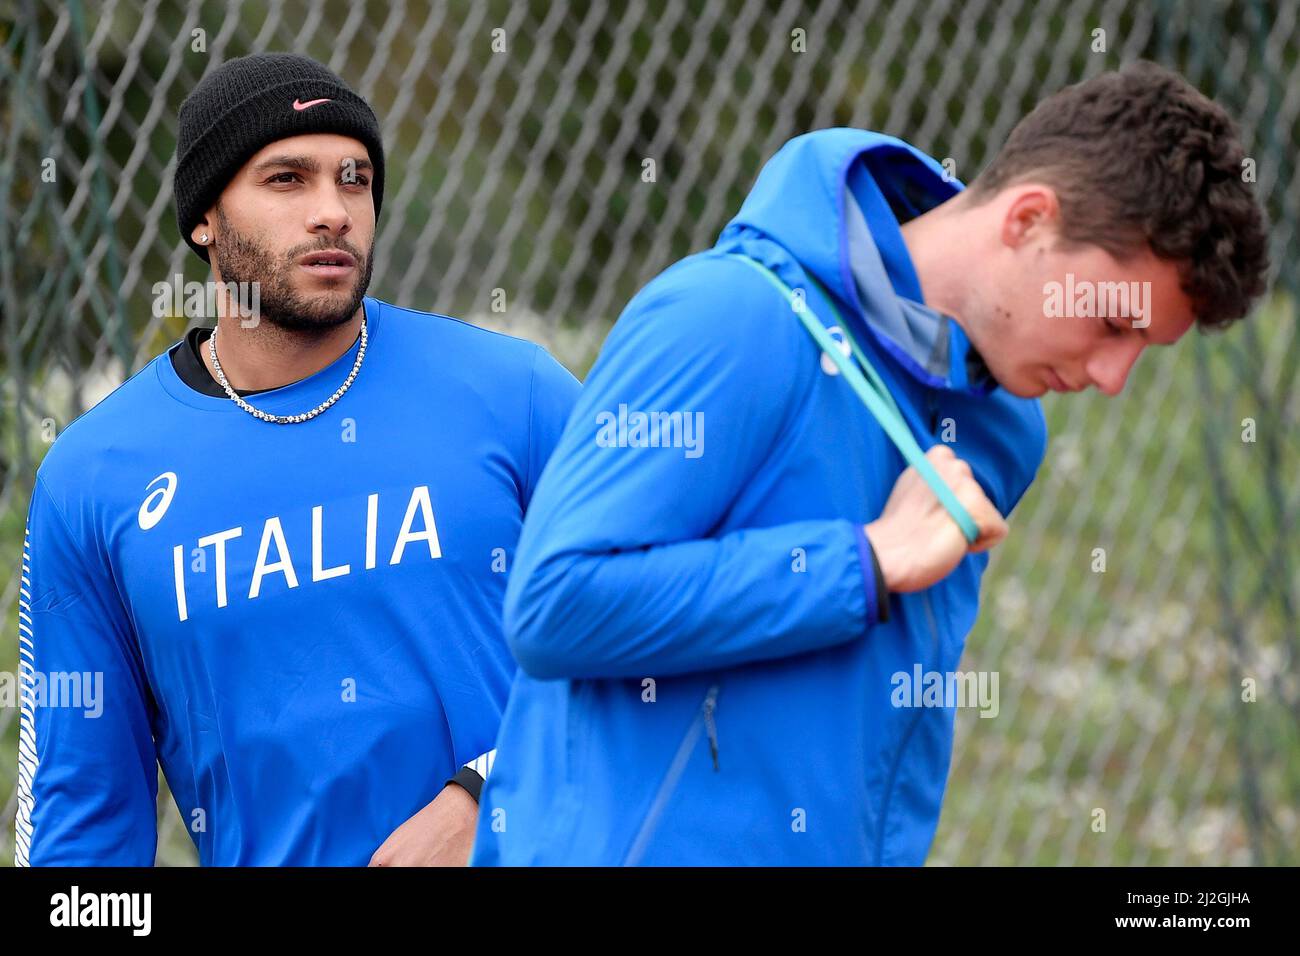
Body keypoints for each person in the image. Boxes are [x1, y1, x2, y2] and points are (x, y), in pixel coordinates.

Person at [471, 61, 1269, 865]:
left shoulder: (1004, 431)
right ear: (1029, 219)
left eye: (1145, 350)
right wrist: (864, 564)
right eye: (1111, 325)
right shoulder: (734, 318)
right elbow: (554, 603)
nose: (1112, 379)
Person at [16, 52, 579, 866]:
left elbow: (664, 646)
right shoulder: (92, 478)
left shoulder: (514, 394)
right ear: (205, 216)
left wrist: (492, 796)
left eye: (354, 179)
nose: (333, 212)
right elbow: (82, 826)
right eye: (287, 179)